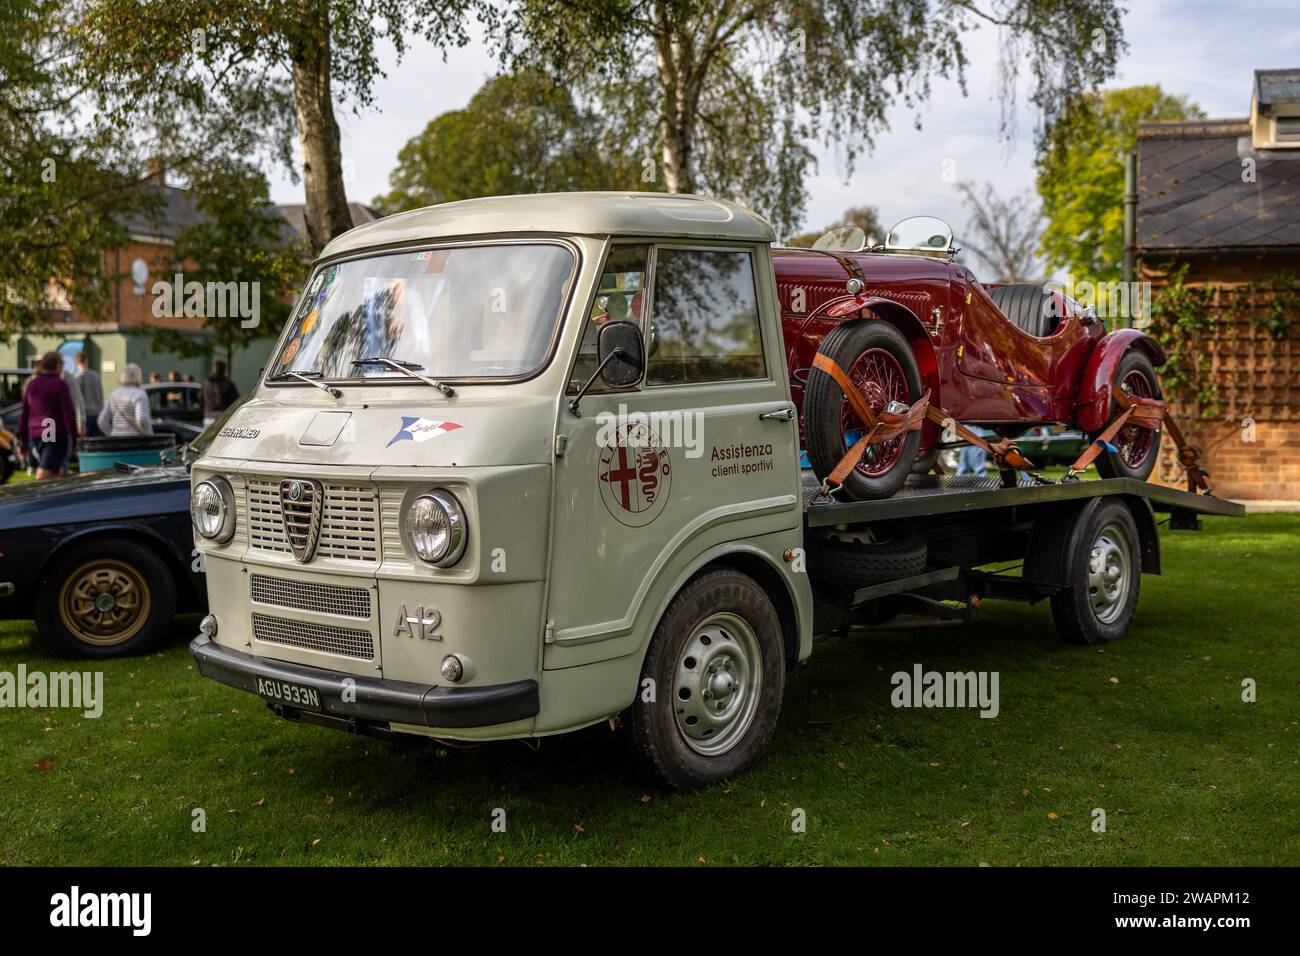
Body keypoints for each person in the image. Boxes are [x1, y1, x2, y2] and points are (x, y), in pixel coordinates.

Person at [17, 352, 77, 480]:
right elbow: (69, 413)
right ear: (57, 366)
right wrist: (75, 438)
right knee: (44, 476)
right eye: (62, 364)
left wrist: (23, 440)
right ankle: (33, 499)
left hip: (35, 435)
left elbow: (25, 414)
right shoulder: (59, 384)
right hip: (51, 433)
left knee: (56, 475)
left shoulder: (32, 384)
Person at [98, 363, 153, 437]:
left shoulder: (113, 395)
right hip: (136, 440)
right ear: (138, 376)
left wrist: (111, 434)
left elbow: (101, 421)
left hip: (116, 440)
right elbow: (142, 420)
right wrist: (148, 435)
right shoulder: (140, 394)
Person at [201, 359, 240, 427]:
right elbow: (235, 401)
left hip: (208, 417)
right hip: (223, 417)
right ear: (224, 369)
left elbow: (200, 399)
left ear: (214, 368)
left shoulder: (206, 383)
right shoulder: (229, 384)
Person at [76, 352, 105, 438]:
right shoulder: (96, 376)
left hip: (85, 415)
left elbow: (77, 400)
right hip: (98, 413)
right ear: (87, 361)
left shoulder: (78, 378)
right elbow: (101, 395)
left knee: (85, 445)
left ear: (77, 363)